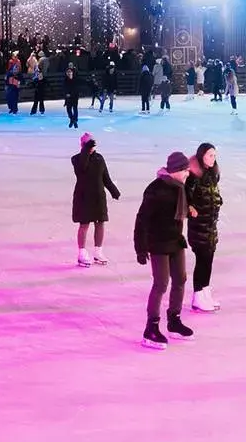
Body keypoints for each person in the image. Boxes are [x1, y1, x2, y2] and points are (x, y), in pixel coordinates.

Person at [134, 151, 194, 350]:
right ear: (176, 170)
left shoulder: (180, 187)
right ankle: (150, 329)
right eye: (185, 170)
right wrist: (141, 248)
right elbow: (142, 219)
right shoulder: (156, 189)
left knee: (181, 279)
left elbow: (182, 208)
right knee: (161, 283)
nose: (188, 173)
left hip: (175, 241)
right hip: (159, 243)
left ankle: (174, 321)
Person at [72, 133, 120, 267]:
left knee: (100, 223)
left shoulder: (99, 158)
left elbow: (106, 177)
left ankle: (98, 251)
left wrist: (113, 190)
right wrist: (86, 151)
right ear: (82, 145)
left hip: (99, 196)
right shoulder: (76, 159)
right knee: (84, 224)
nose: (92, 147)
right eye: (89, 144)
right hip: (83, 196)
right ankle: (82, 252)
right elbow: (82, 168)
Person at [186, 143, 223, 313]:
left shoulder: (212, 174)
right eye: (209, 155)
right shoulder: (194, 176)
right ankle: (198, 296)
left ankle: (205, 292)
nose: (212, 159)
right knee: (202, 261)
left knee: (208, 261)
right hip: (199, 226)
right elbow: (186, 196)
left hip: (210, 226)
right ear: (201, 156)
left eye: (214, 156)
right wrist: (190, 208)